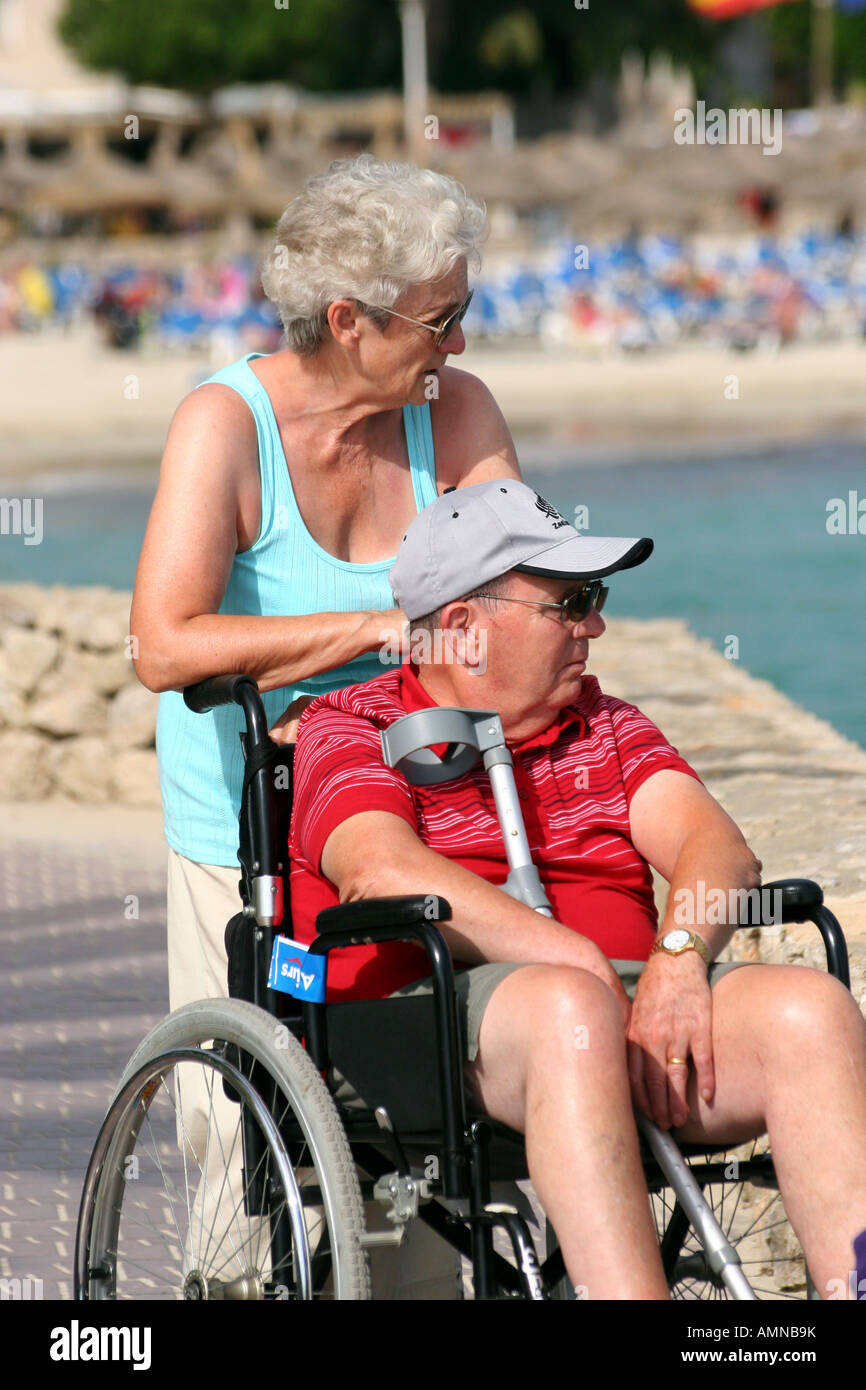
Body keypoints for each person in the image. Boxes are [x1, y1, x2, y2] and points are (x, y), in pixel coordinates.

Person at [289, 477, 866, 1300]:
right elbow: (379, 868)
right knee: (573, 1011)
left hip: (611, 1000)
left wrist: (674, 958)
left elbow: (719, 850)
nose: (595, 623)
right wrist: (576, 960)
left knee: (810, 1013)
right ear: (464, 630)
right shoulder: (350, 725)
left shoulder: (605, 725)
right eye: (571, 602)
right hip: (432, 1019)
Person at [129, 153, 521, 1298]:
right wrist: (371, 631)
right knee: (243, 1156)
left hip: (416, 807)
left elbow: (518, 588)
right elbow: (164, 644)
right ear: (347, 320)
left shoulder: (454, 413)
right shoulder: (224, 424)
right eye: (440, 318)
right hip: (246, 831)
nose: (457, 342)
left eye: (464, 313)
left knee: (422, 1133)